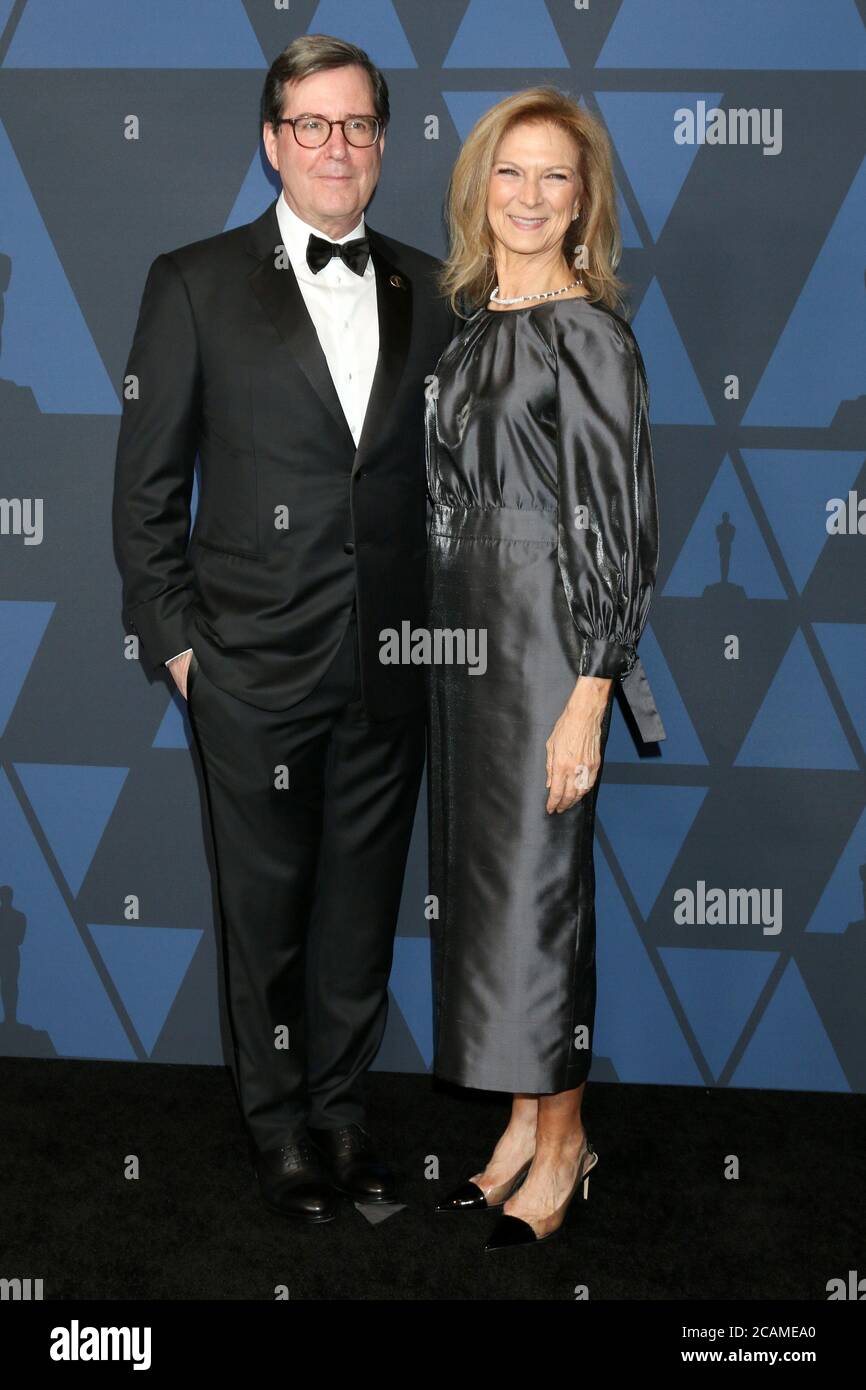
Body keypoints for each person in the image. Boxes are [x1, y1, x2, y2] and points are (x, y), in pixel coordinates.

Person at [112, 35, 454, 1223]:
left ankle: (344, 1115)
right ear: (271, 141)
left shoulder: (432, 286)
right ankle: (278, 1129)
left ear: (381, 143)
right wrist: (181, 646)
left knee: (361, 910)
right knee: (265, 919)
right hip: (248, 670)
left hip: (394, 669)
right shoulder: (195, 281)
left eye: (356, 125)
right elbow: (146, 491)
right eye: (310, 125)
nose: (335, 147)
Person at [425, 87, 666, 1251]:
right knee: (490, 905)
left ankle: (565, 1141)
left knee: (540, 902)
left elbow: (616, 528)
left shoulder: (587, 333)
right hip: (464, 649)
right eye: (508, 174)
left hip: (545, 651)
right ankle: (522, 1120)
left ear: (585, 202)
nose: (527, 197)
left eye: (553, 178)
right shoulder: (475, 321)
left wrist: (588, 694)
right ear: (481, 188)